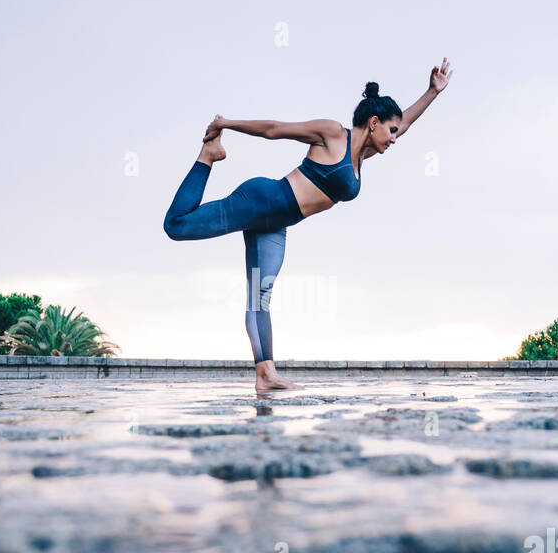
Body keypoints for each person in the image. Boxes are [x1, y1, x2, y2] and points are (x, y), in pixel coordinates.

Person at [163, 59, 453, 394]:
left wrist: (432, 92)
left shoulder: (362, 156)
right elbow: (275, 129)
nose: (394, 138)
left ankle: (266, 375)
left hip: (277, 224)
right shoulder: (332, 134)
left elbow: (405, 123)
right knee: (177, 225)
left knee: (259, 298)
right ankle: (208, 155)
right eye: (390, 131)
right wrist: (226, 123)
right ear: (373, 123)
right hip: (262, 200)